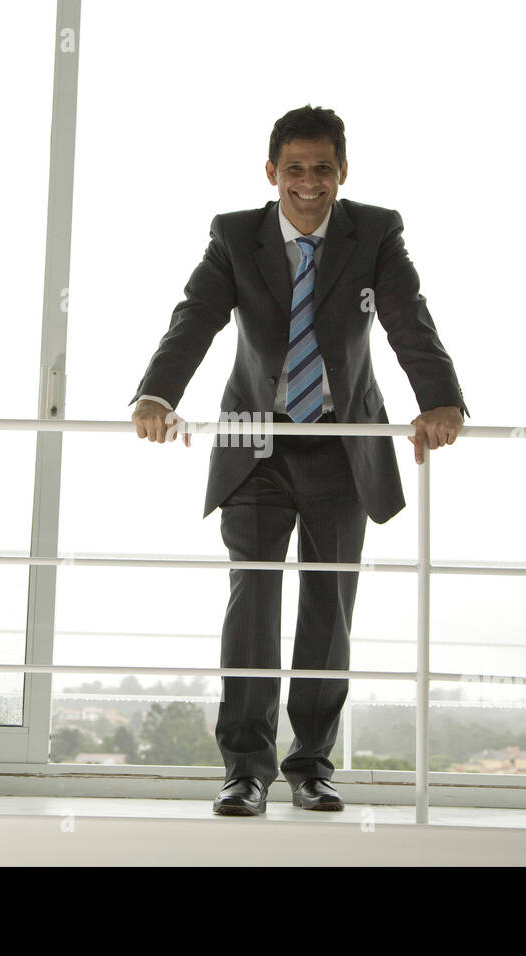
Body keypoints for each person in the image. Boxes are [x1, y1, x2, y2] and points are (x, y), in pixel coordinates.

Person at [129, 105, 469, 815]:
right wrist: (157, 393)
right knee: (252, 598)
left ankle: (310, 765)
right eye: (294, 169)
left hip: (344, 447)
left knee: (328, 609)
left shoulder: (374, 232)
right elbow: (195, 317)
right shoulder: (234, 236)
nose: (308, 183)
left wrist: (440, 399)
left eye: (322, 169)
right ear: (270, 172)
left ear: (343, 171)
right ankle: (244, 769)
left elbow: (408, 318)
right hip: (256, 440)